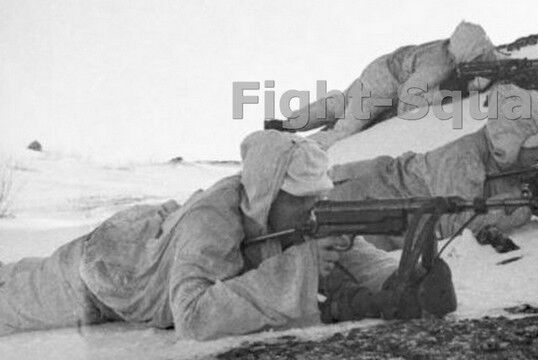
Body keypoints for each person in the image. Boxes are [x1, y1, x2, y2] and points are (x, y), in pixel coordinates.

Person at [0, 131, 456, 339]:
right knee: (13, 296)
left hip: (156, 231)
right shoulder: (215, 219)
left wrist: (406, 277)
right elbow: (194, 316)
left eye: (319, 196)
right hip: (111, 269)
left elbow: (356, 257)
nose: (316, 209)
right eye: (302, 197)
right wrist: (302, 265)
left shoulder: (303, 215)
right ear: (268, 192)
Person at [328, 84, 538, 251]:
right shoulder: (463, 160)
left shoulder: (516, 165)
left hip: (385, 217)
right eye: (535, 146)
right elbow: (458, 227)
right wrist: (526, 199)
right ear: (509, 143)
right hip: (364, 193)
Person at [266, 21, 507, 149]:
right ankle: (293, 146)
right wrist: (451, 92)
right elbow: (407, 103)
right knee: (345, 131)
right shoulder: (439, 65)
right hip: (382, 87)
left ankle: (285, 124)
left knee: (339, 104)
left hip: (379, 68)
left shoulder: (446, 47)